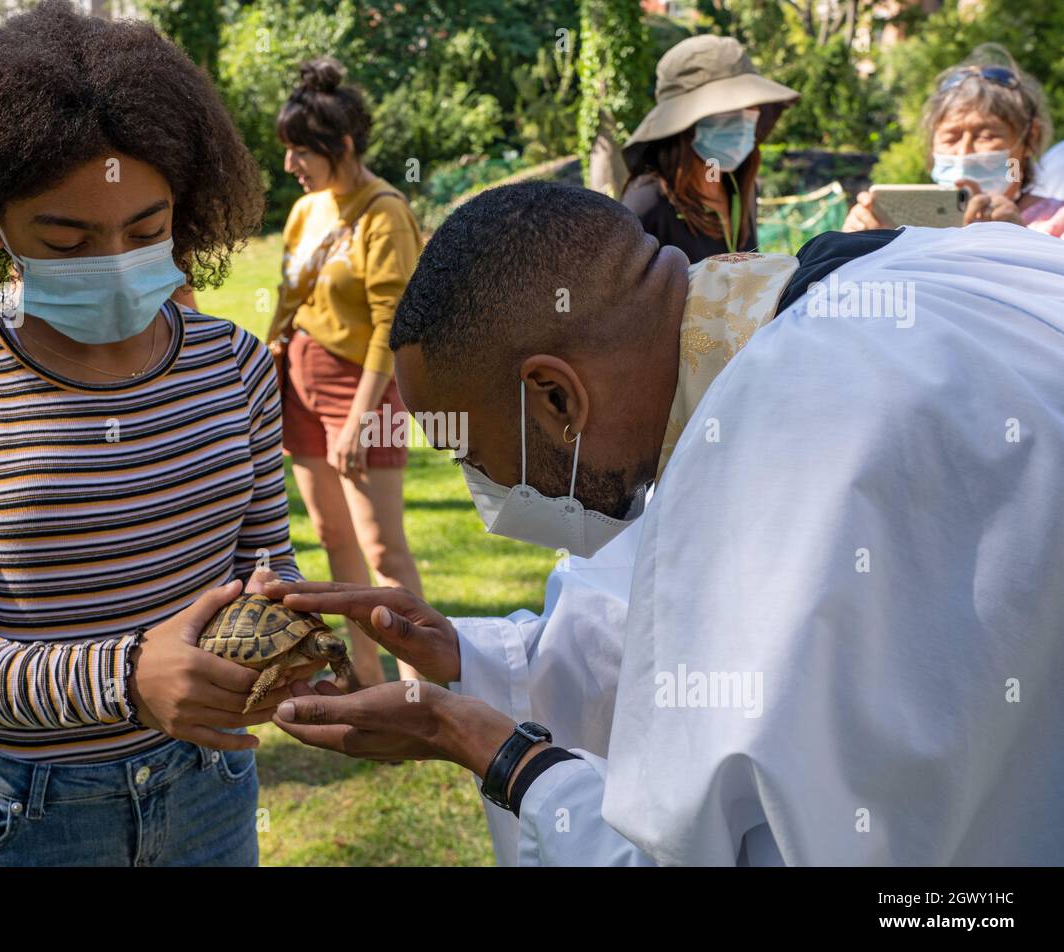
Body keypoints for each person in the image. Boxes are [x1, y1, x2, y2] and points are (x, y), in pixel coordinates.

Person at [269, 181, 1064, 865]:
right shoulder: (935, 267)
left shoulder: (786, 452)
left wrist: (487, 747)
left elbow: (727, 847)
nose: (485, 492)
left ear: (556, 398)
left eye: (472, 454)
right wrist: (470, 660)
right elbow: (690, 638)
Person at [0, 0, 312, 866]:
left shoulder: (238, 366)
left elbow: (267, 568)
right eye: (66, 240)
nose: (114, 260)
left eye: (147, 231)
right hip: (35, 815)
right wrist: (128, 679)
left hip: (210, 790)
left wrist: (295, 640)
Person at [267, 57, 424, 686]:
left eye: (300, 152)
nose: (289, 166)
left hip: (361, 388)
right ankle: (367, 682)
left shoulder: (384, 214)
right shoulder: (307, 211)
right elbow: (286, 297)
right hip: (297, 379)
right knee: (334, 542)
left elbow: (394, 323)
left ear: (345, 146)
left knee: (383, 548)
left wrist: (359, 419)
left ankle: (419, 695)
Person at [844, 45, 1063, 237]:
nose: (964, 152)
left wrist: (1018, 241)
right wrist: (854, 246)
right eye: (951, 138)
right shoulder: (906, 226)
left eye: (986, 136)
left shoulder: (1056, 222)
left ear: (1029, 138)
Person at [615, 35, 798, 262]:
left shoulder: (741, 187)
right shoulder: (647, 202)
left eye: (750, 109)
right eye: (730, 109)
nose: (743, 121)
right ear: (686, 122)